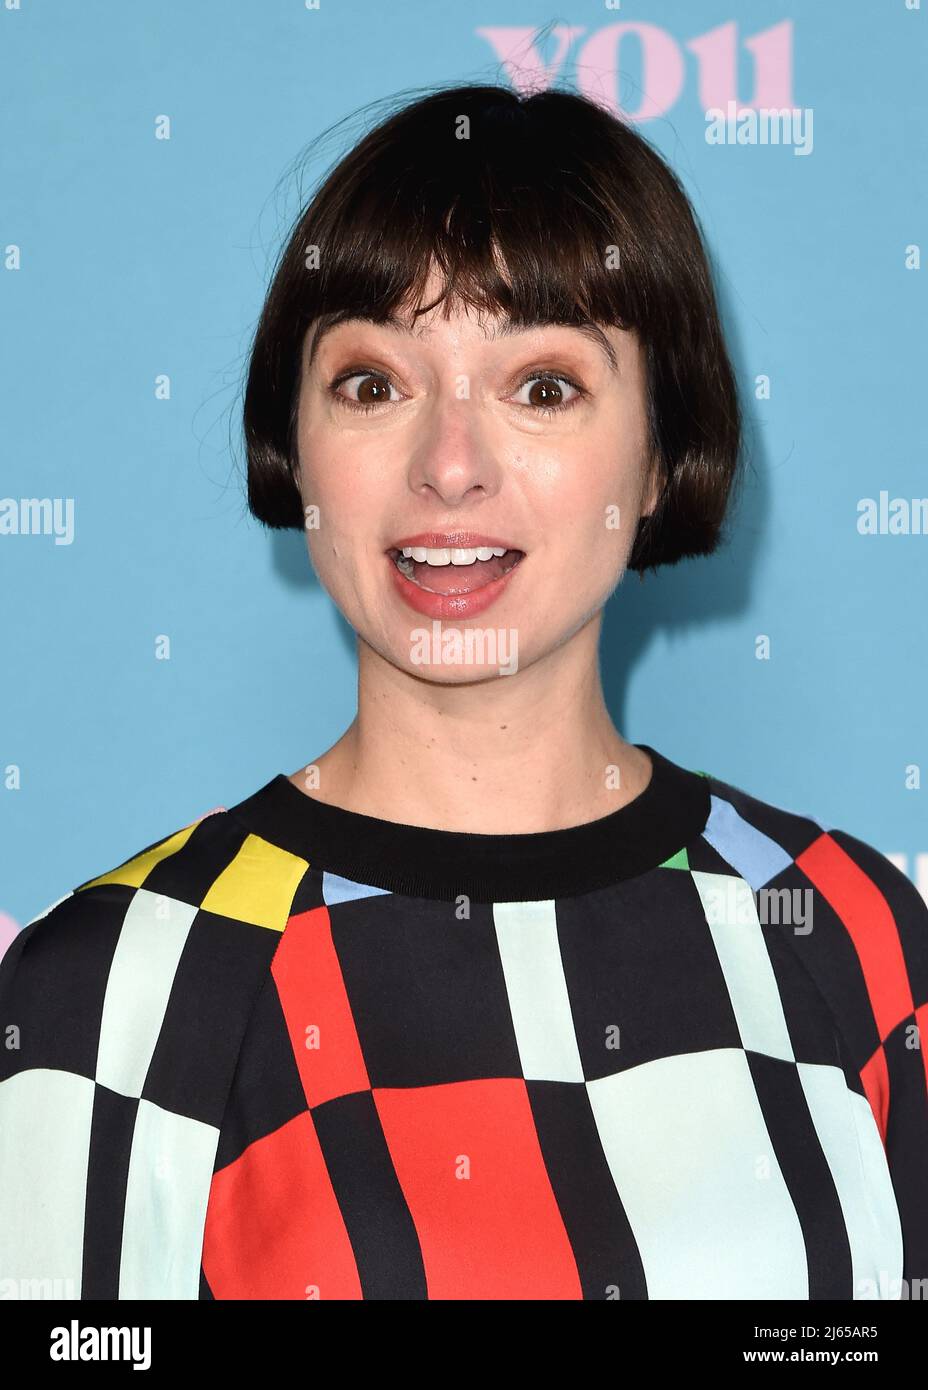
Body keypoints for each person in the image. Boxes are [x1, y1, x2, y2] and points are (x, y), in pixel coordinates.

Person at [1, 82, 926, 1302]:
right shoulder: (113, 983)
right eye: (373, 383)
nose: (449, 467)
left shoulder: (848, 930)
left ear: (661, 454)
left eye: (542, 387)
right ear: (295, 444)